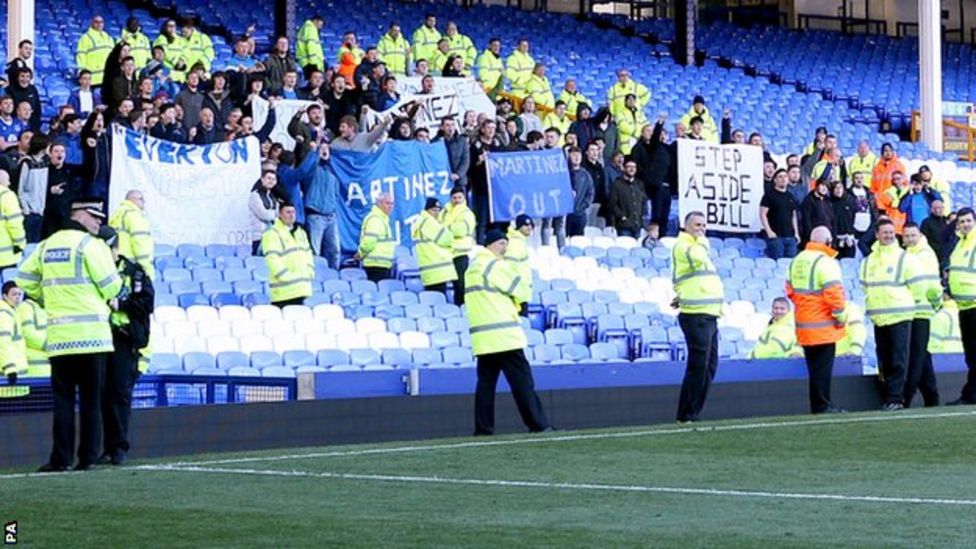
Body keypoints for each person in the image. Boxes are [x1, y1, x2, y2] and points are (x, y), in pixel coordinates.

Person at [19, 198, 123, 472]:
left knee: (63, 401)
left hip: (60, 338)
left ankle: (60, 459)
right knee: (91, 401)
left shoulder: (46, 245)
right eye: (94, 216)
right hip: (92, 337)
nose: (99, 222)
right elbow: (112, 287)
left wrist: (46, 298)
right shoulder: (92, 246)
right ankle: (87, 457)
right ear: (78, 215)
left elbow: (24, 279)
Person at [467, 229, 550, 435]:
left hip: (483, 338)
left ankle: (483, 429)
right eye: (502, 243)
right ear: (491, 245)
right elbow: (521, 289)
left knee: (486, 385)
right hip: (504, 335)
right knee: (523, 383)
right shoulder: (494, 265)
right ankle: (538, 424)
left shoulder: (473, 267)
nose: (505, 248)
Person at [860, 219, 940, 410]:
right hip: (880, 317)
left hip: (902, 315)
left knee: (900, 360)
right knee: (890, 360)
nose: (888, 235)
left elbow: (919, 287)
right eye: (884, 232)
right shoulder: (868, 261)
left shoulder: (906, 258)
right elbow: (865, 286)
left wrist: (907, 304)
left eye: (890, 232)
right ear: (877, 234)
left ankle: (897, 398)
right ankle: (925, 397)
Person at [98, 226, 153, 465]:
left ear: (115, 248)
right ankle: (102, 447)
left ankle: (118, 447)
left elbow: (146, 304)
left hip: (122, 340)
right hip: (98, 338)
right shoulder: (91, 273)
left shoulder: (134, 272)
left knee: (119, 394)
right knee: (100, 395)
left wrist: (119, 305)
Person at [786, 226, 848, 414]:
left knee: (814, 370)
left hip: (804, 325)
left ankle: (819, 405)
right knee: (823, 370)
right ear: (828, 241)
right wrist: (841, 317)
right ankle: (823, 405)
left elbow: (789, 291)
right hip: (823, 326)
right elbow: (834, 295)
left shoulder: (796, 261)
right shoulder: (826, 262)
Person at [672, 212, 724, 422]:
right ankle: (687, 414)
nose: (701, 229)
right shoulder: (685, 245)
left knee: (709, 366)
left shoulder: (696, 245)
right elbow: (698, 260)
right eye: (696, 225)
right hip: (696, 315)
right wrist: (702, 240)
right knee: (698, 366)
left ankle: (693, 411)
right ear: (686, 226)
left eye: (703, 225)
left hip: (709, 314)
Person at [901, 223, 942, 407]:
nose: (910, 239)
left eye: (912, 235)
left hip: (920, 310)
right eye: (907, 236)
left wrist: (935, 303)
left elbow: (931, 284)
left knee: (915, 356)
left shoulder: (924, 255)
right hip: (912, 311)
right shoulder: (910, 254)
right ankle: (931, 396)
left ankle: (906, 396)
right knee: (922, 355)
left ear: (919, 235)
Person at [947, 208, 976, 405]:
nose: (965, 224)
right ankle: (970, 393)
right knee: (971, 353)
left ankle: (971, 394)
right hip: (964, 306)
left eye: (968, 221)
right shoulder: (960, 244)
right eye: (962, 221)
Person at [262, 203, 313, 308]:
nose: (291, 215)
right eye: (288, 212)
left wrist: (309, 272)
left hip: (301, 289)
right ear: (280, 214)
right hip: (283, 292)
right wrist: (286, 277)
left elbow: (308, 255)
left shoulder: (301, 233)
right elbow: (272, 260)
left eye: (293, 212)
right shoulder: (272, 233)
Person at [303, 143, 340, 269]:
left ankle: (334, 276)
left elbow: (336, 193)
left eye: (326, 148)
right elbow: (309, 165)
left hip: (331, 216)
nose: (324, 150)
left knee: (334, 251)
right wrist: (315, 153)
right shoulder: (312, 169)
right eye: (322, 148)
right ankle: (316, 278)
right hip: (315, 216)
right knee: (315, 252)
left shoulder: (333, 171)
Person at [412, 198, 457, 295]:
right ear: (427, 210)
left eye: (438, 210)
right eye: (433, 210)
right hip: (437, 271)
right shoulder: (428, 222)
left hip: (431, 272)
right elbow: (446, 239)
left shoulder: (421, 221)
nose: (436, 213)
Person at [440, 186, 475, 306]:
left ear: (464, 198)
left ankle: (462, 307)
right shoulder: (444, 212)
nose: (457, 200)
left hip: (460, 253)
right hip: (446, 253)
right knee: (447, 284)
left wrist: (445, 229)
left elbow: (461, 230)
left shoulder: (467, 213)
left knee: (461, 285)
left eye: (459, 197)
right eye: (454, 197)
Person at [108, 190, 154, 279]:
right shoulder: (135, 216)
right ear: (132, 200)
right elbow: (140, 244)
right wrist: (146, 270)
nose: (144, 202)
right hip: (134, 269)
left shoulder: (117, 215)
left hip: (119, 265)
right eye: (141, 199)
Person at [760, 168, 800, 259]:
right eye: (780, 177)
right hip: (776, 237)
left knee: (790, 265)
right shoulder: (769, 195)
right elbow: (762, 214)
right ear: (775, 180)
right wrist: (769, 231)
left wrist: (796, 233)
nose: (783, 179)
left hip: (790, 237)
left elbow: (793, 216)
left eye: (785, 176)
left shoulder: (790, 196)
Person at [357, 193, 396, 282]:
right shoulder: (375, 219)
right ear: (379, 204)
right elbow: (369, 241)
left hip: (383, 264)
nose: (390, 206)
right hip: (375, 265)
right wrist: (361, 253)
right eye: (387, 203)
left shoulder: (383, 219)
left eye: (392, 203)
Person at [607, 159, 647, 238]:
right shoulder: (617, 184)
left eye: (634, 167)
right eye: (629, 167)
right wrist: (622, 217)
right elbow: (612, 204)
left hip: (637, 225)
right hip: (623, 226)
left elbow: (643, 201)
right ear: (624, 168)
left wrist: (642, 216)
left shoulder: (639, 184)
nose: (632, 169)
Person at [505, 215, 533, 315]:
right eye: (525, 225)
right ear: (518, 227)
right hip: (517, 293)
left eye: (531, 224)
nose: (529, 227)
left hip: (521, 291)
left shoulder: (519, 241)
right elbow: (510, 268)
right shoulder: (515, 243)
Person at [75, 16, 114, 86]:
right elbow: (81, 57)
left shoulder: (108, 38)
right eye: (96, 22)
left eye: (101, 22)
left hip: (108, 78)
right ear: (92, 23)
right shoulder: (85, 38)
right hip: (93, 80)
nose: (99, 24)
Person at [0, 281, 27, 384]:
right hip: (8, 374)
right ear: (5, 296)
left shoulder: (12, 312)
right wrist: (10, 368)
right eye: (14, 294)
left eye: (20, 294)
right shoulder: (4, 314)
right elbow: (3, 342)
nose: (17, 297)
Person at [566, 146, 594, 238]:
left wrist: (582, 207)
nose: (577, 157)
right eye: (574, 155)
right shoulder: (564, 172)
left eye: (579, 155)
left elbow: (590, 193)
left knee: (578, 240)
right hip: (564, 215)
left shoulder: (585, 175)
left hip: (579, 214)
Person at [0, 171, 25, 271]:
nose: (9, 183)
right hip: (6, 257)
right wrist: (20, 244)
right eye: (7, 180)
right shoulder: (7, 195)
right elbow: (15, 224)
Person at [829, 181, 858, 259]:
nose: (838, 190)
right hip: (836, 239)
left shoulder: (850, 200)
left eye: (840, 187)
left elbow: (854, 219)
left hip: (849, 238)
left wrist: (852, 235)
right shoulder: (829, 203)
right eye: (835, 188)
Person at [800, 180, 834, 245]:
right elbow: (806, 220)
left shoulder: (827, 200)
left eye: (827, 186)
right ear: (816, 186)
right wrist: (810, 236)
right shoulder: (809, 200)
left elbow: (832, 218)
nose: (825, 188)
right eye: (822, 185)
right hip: (814, 238)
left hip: (828, 237)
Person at [920, 200, 951, 268]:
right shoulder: (926, 222)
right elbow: (922, 240)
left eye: (939, 208)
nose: (937, 210)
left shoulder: (947, 221)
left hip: (947, 256)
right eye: (935, 208)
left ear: (943, 208)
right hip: (932, 256)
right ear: (931, 209)